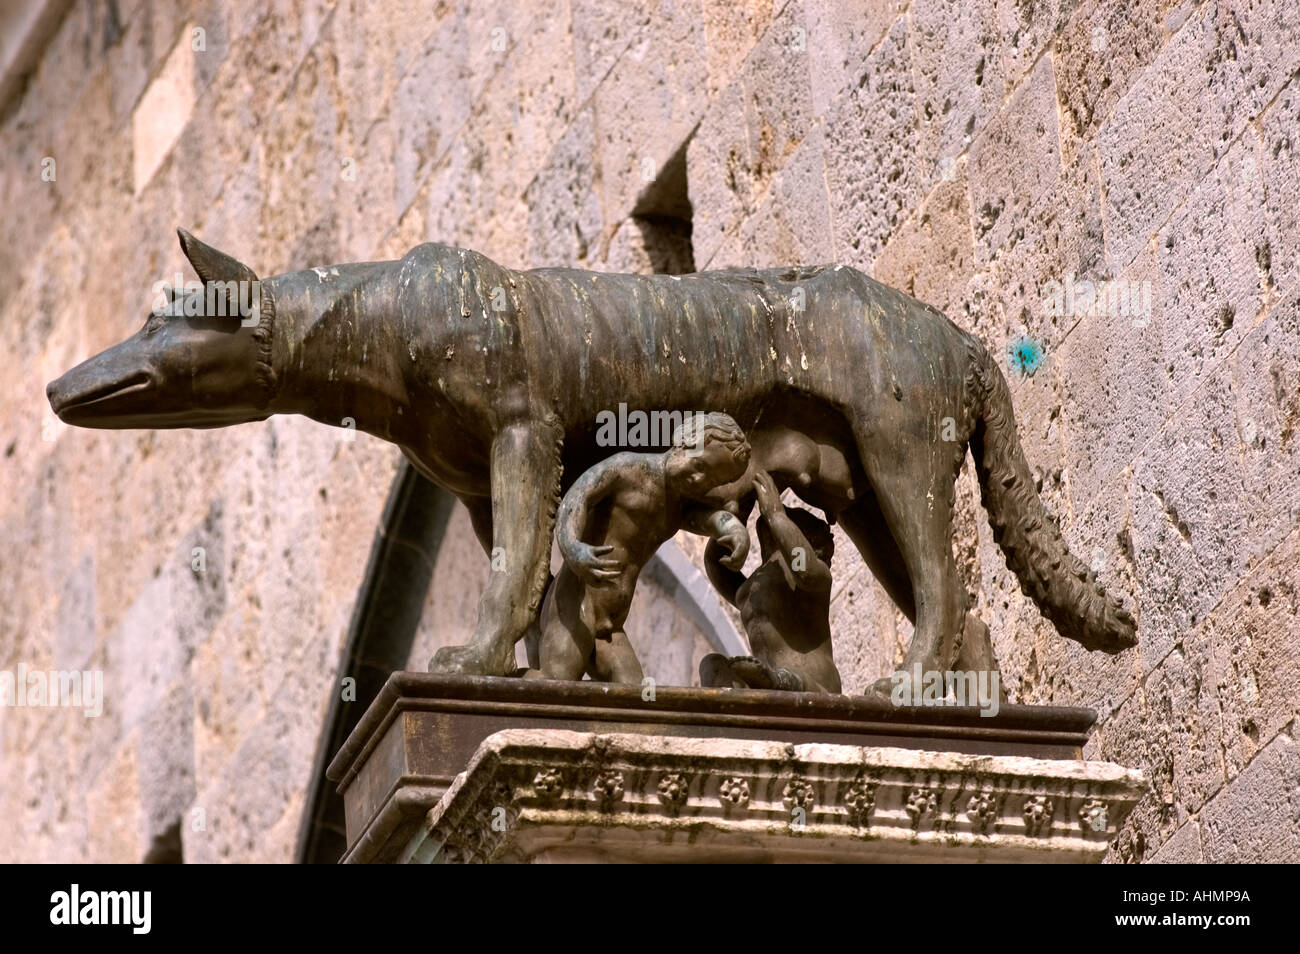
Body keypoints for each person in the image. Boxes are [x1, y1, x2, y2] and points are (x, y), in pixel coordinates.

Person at [528, 412, 752, 682]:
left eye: (710, 481)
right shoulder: (626, 469)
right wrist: (573, 548)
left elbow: (712, 521)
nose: (697, 480)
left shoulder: (678, 507)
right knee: (554, 683)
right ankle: (507, 682)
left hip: (610, 625)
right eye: (699, 467)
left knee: (632, 694)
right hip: (574, 608)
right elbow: (578, 499)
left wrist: (735, 530)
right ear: (685, 442)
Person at [700, 470, 841, 693]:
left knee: (780, 678)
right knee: (712, 665)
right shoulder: (758, 583)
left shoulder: (815, 575)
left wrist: (776, 514)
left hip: (814, 684)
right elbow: (715, 564)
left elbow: (803, 569)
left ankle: (774, 681)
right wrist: (738, 506)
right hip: (767, 682)